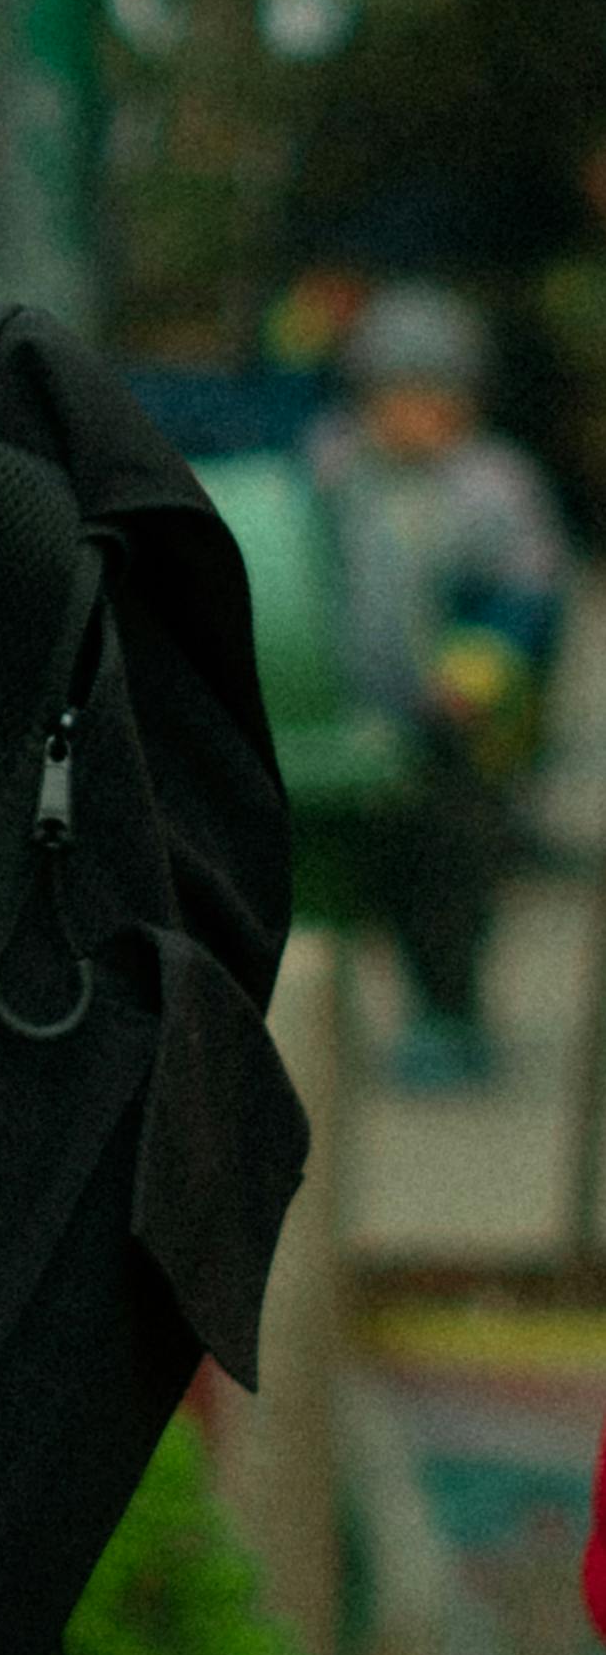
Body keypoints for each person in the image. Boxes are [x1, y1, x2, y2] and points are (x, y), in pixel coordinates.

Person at [314, 281, 569, 1090]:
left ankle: (449, 1011)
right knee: (366, 874)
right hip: (356, 719)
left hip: (460, 730)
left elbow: (527, 596)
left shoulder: (494, 487)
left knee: (451, 872)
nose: (418, 416)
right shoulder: (332, 468)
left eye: (438, 398)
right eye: (399, 397)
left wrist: (475, 674)